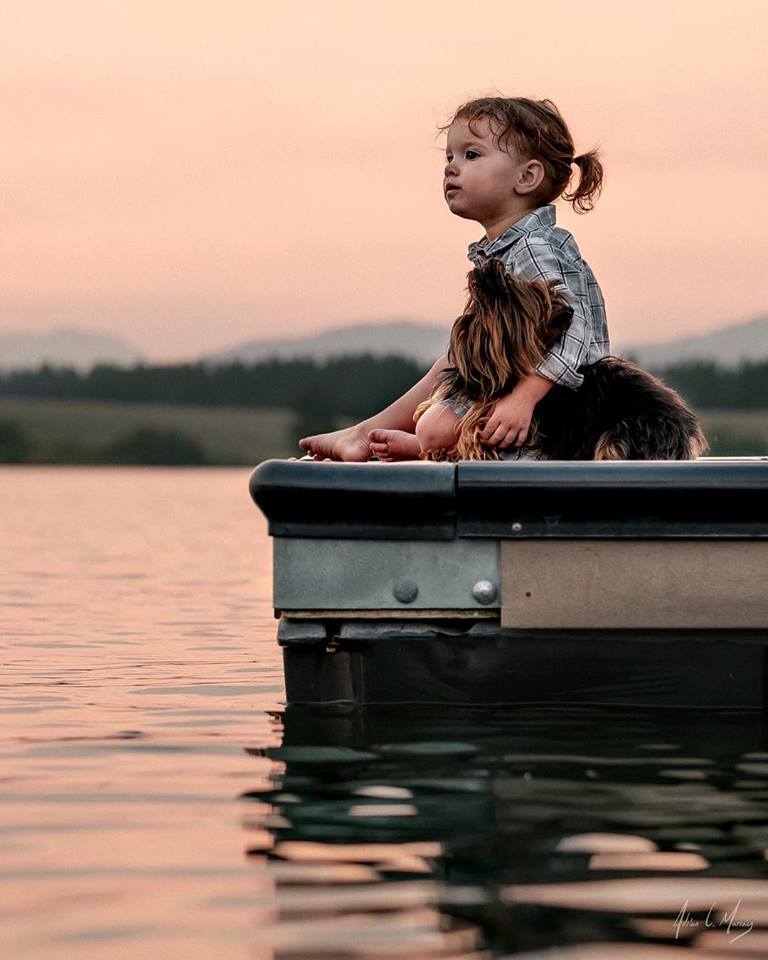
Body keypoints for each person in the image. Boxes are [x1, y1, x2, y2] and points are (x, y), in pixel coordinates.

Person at [299, 95, 608, 462]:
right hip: (525, 391)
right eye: (450, 157)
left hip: (560, 405)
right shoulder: (506, 250)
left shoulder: (534, 249)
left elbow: (576, 332)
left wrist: (523, 399)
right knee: (456, 357)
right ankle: (366, 433)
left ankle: (427, 443)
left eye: (471, 155)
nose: (451, 168)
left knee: (433, 426)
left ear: (526, 177)